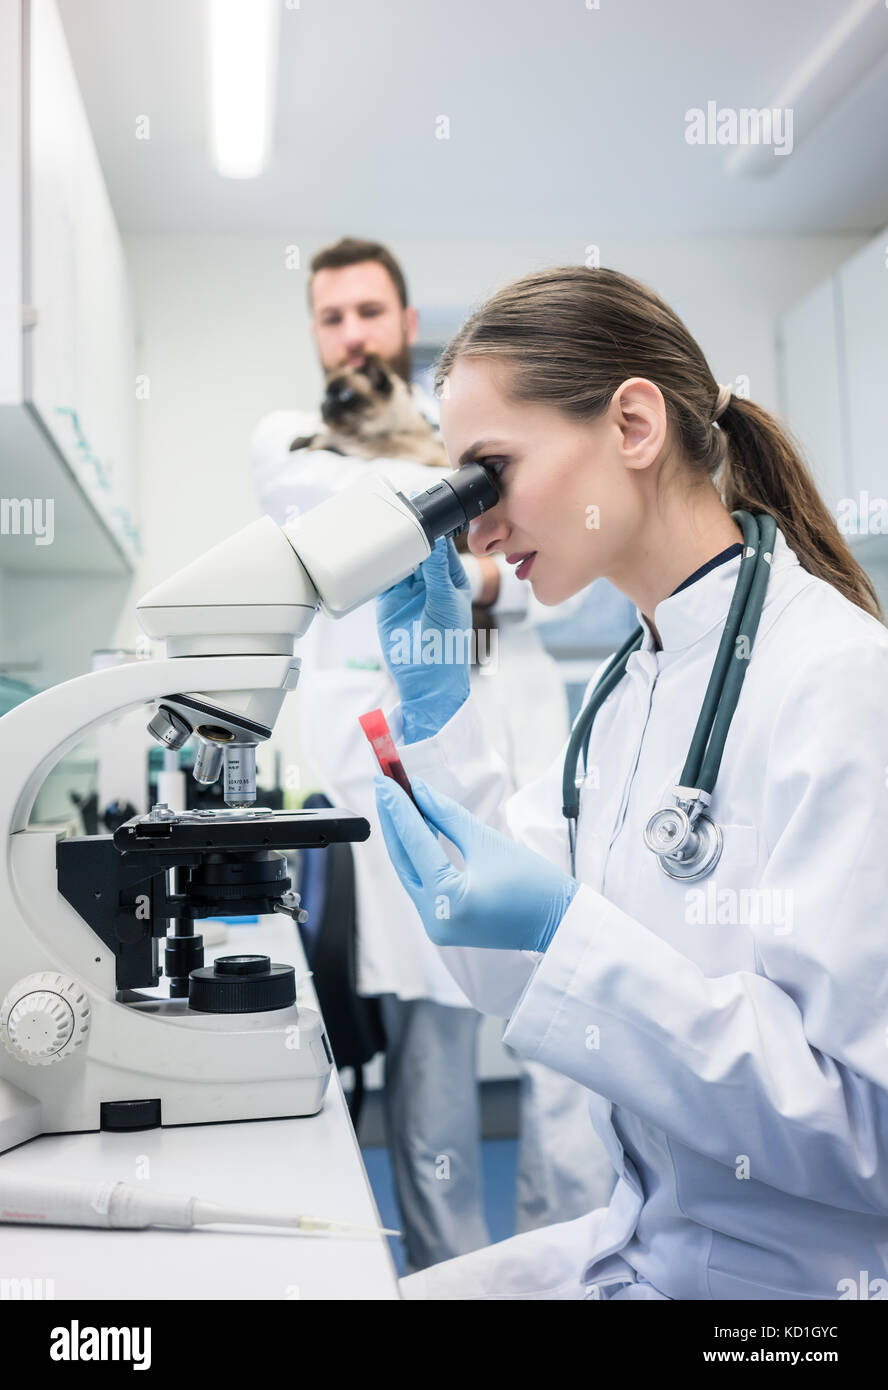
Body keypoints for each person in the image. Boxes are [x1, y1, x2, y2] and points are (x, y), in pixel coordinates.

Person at [371, 264, 888, 1300]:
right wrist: (439, 729)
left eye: (489, 473)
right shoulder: (627, 694)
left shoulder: (837, 678)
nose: (473, 529)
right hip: (643, 1245)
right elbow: (525, 971)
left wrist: (572, 930)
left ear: (635, 425)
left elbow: (861, 1131)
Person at [250, 240, 614, 1272]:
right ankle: (458, 1282)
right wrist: (485, 502)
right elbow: (348, 516)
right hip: (397, 779)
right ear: (316, 333)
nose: (353, 333)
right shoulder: (291, 440)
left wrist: (476, 534)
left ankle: (568, 1270)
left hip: (529, 760)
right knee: (434, 1072)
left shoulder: (456, 430)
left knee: (570, 1041)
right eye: (332, 317)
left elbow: (570, 579)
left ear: (407, 324)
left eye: (370, 311)